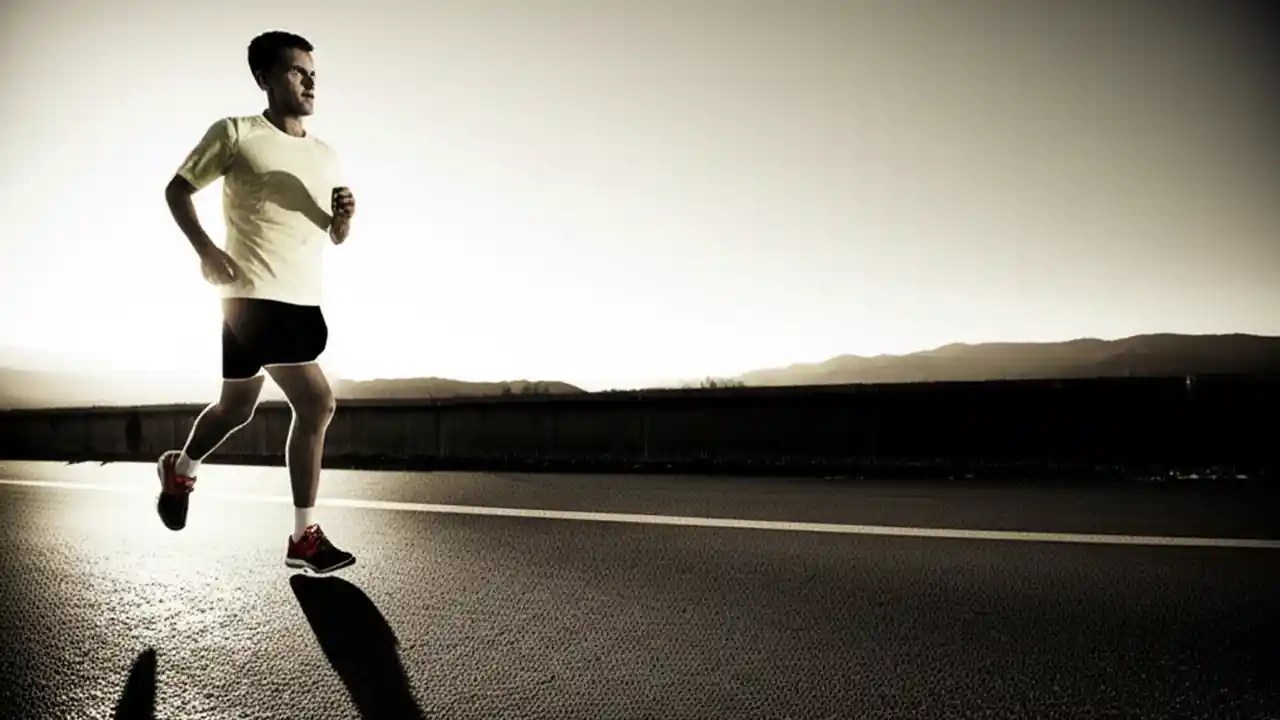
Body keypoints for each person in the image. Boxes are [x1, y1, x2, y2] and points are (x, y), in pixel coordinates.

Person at [157, 30, 356, 574]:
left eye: (313, 72)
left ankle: (182, 467)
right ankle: (303, 538)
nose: (310, 81)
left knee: (235, 409)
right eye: (297, 71)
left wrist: (342, 221)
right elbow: (177, 190)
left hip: (302, 301)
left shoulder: (325, 155)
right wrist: (205, 250)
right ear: (265, 78)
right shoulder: (236, 134)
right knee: (316, 403)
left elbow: (331, 236)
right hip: (251, 296)